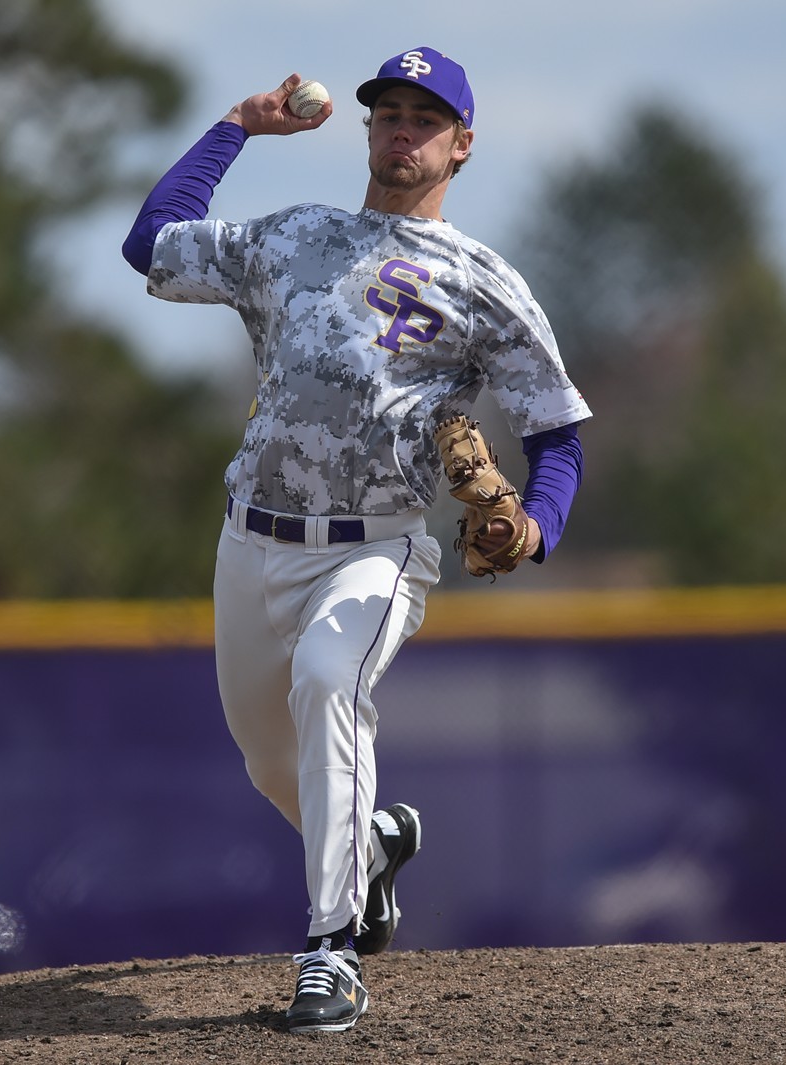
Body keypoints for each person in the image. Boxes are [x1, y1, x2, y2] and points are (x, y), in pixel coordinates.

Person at [122, 46, 591, 1033]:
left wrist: (537, 530)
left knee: (329, 681)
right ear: (366, 129)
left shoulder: (483, 283)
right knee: (265, 761)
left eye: (425, 119)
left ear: (461, 146)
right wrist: (236, 128)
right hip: (249, 542)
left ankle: (330, 951)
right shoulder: (294, 237)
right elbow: (150, 245)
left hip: (374, 550)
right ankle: (373, 845)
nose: (400, 130)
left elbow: (555, 434)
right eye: (387, 113)